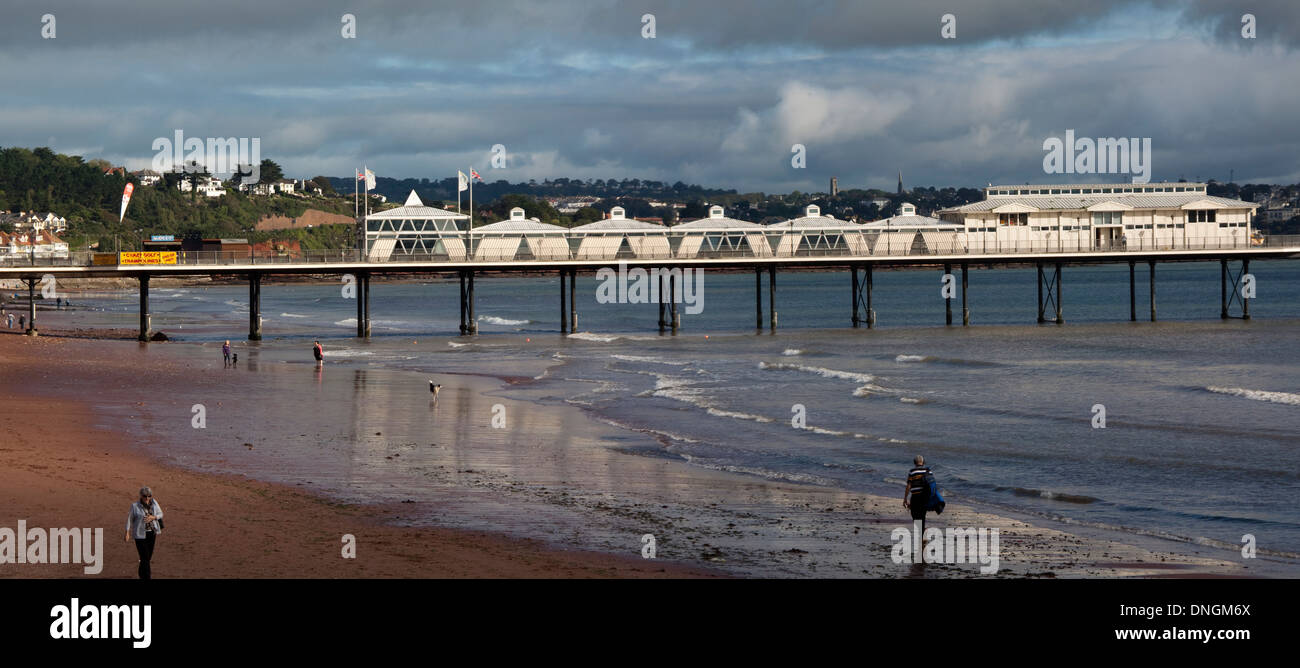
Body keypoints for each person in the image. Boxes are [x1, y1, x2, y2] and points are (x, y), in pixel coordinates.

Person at [125, 486, 163, 579]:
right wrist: (127, 532)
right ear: (141, 496)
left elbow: (160, 514)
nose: (147, 498)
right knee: (145, 557)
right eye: (145, 496)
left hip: (152, 533)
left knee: (147, 558)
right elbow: (129, 519)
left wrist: (153, 517)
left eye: (149, 496)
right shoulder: (135, 506)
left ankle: (141, 575)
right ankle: (147, 577)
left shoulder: (154, 503)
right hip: (140, 535)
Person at [903, 455, 935, 535]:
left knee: (914, 514)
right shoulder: (928, 471)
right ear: (923, 462)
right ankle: (923, 532)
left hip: (915, 497)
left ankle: (922, 532)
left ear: (914, 462)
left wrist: (905, 498)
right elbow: (932, 484)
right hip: (925, 497)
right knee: (922, 515)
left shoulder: (912, 471)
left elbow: (909, 485)